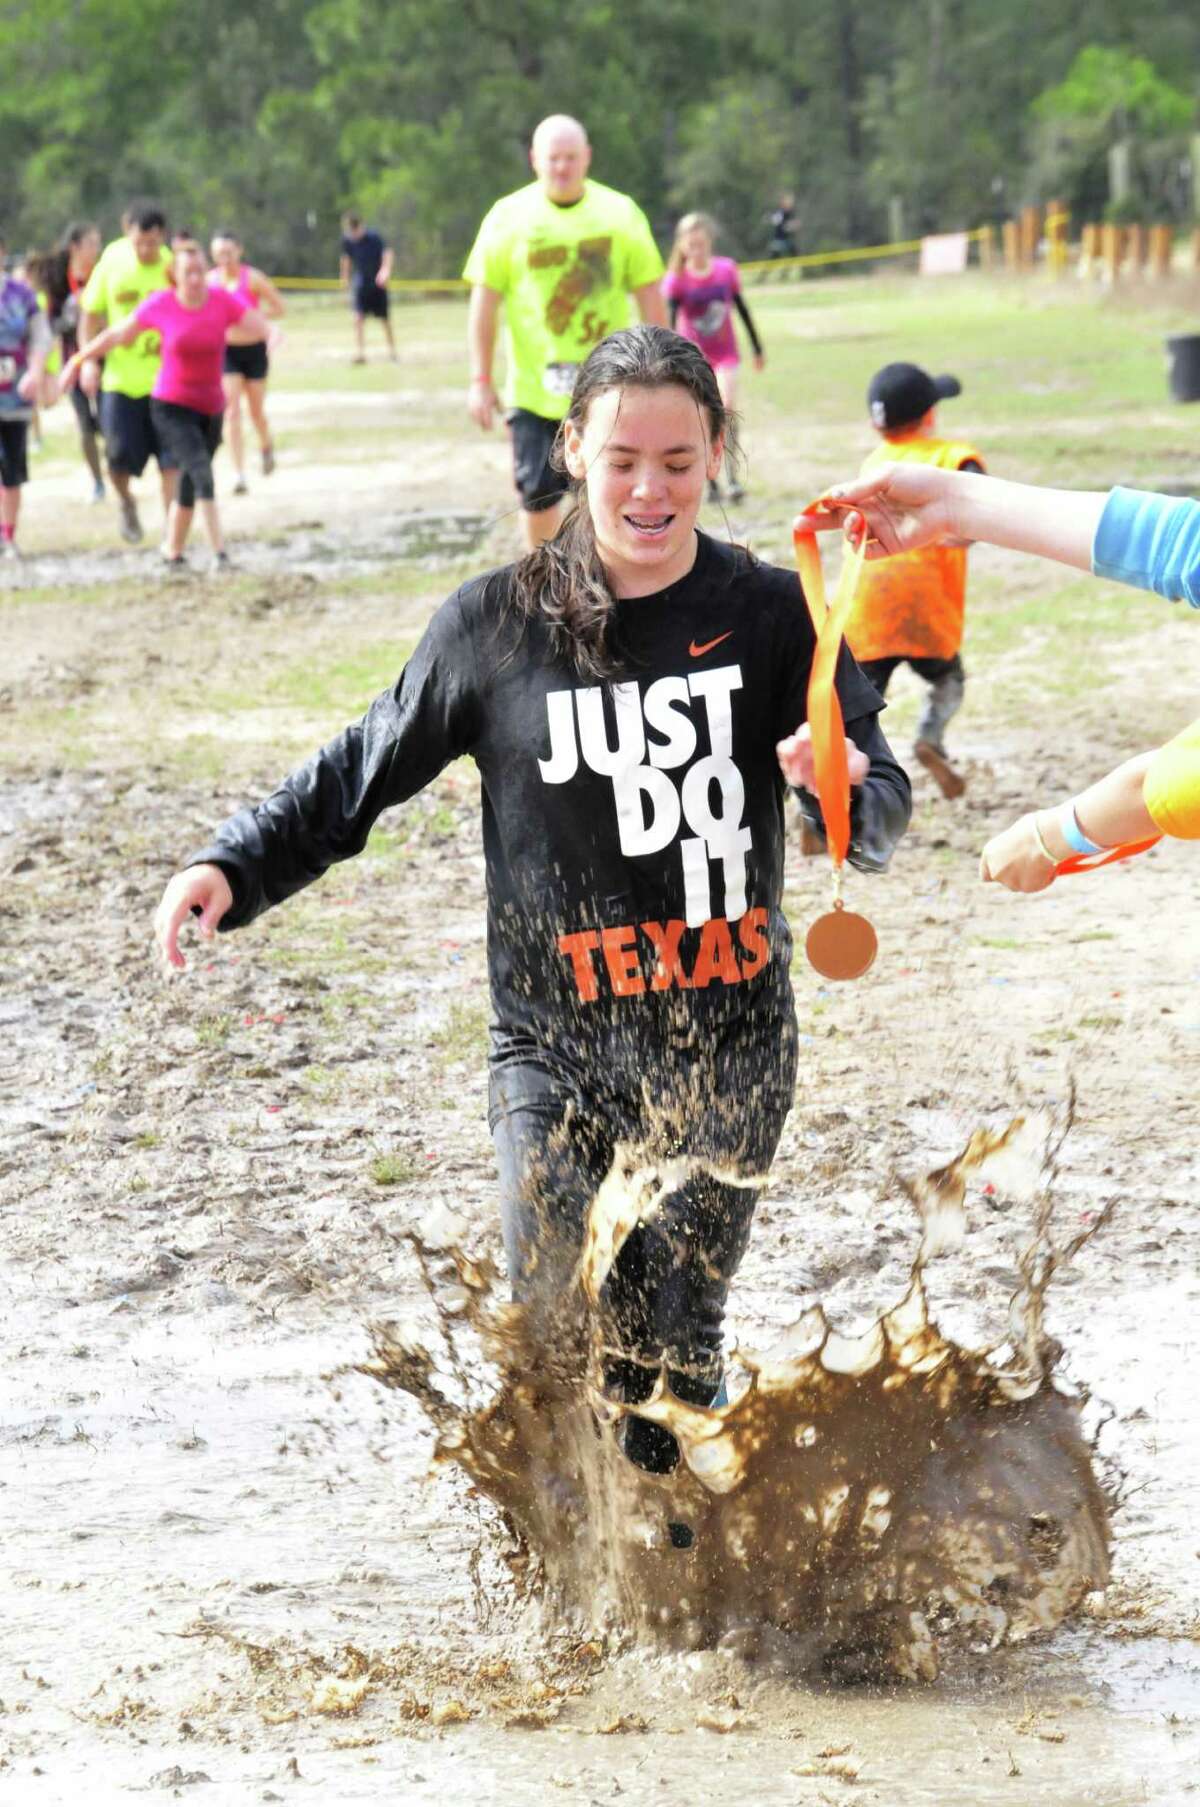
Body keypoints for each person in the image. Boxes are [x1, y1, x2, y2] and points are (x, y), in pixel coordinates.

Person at [153, 326, 910, 1482]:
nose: (649, 489)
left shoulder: (772, 612)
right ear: (572, 452)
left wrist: (846, 788)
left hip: (733, 1044)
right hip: (553, 1047)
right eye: (621, 459)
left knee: (669, 1355)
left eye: (677, 459)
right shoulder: (494, 625)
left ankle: (680, 1559)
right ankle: (573, 1594)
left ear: (716, 453)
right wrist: (233, 866)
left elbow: (884, 801)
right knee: (554, 1345)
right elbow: (361, 767)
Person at [808, 468, 1200, 892]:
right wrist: (952, 503)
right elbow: (1184, 545)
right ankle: (928, 737)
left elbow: (1182, 786)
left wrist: (1056, 834)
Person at [464, 114, 668, 552]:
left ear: (587, 158)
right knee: (536, 495)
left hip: (609, 388)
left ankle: (605, 588)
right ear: (535, 159)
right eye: (553, 158)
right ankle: (541, 585)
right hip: (533, 392)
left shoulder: (620, 214)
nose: (562, 168)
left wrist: (666, 372)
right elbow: (484, 304)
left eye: (571, 158)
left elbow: (650, 296)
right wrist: (480, 379)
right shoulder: (507, 218)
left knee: (606, 495)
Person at [64, 239, 268, 574]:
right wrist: (79, 360)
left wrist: (272, 334)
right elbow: (116, 335)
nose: (195, 278)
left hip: (211, 407)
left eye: (200, 271)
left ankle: (172, 552)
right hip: (171, 405)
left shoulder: (220, 301)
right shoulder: (161, 304)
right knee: (201, 473)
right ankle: (220, 554)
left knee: (189, 481)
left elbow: (258, 323)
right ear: (174, 275)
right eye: (188, 272)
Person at [835, 362, 985, 801]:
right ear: (930, 415)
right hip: (926, 608)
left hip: (869, 608)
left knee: (859, 709)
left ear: (875, 424)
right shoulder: (953, 457)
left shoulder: (873, 464)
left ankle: (836, 782)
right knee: (948, 679)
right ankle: (930, 737)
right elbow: (979, 506)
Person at [78, 204, 175, 544]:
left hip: (167, 382)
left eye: (152, 242)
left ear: (162, 236)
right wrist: (89, 361)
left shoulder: (173, 267)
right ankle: (127, 502)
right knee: (117, 460)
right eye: (139, 243)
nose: (146, 250)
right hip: (119, 382)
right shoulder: (112, 261)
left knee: (170, 462)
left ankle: (170, 531)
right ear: (126, 231)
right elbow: (90, 316)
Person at [663, 213, 764, 507]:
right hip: (693, 359)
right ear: (682, 245)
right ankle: (709, 480)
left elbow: (742, 309)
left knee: (727, 408)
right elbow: (668, 325)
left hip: (725, 354)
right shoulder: (676, 281)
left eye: (701, 242)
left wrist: (757, 348)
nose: (697, 249)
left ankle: (732, 477)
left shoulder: (725, 270)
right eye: (690, 243)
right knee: (700, 417)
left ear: (709, 242)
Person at [30, 223, 105, 502]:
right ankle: (97, 482)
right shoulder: (58, 281)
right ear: (75, 247)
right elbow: (50, 325)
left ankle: (115, 463)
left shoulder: (103, 275)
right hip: (73, 360)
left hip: (106, 359)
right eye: (91, 243)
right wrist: (72, 317)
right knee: (85, 425)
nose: (96, 249)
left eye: (98, 243)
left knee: (109, 423)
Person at [208, 231, 286, 494]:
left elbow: (280, 307)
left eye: (229, 252)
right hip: (227, 351)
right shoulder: (210, 282)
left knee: (256, 412)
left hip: (254, 351)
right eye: (219, 254)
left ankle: (266, 444)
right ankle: (239, 474)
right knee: (231, 412)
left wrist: (253, 316)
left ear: (239, 251)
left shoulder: (252, 278)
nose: (224, 258)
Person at [0, 241, 52, 559]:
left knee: (11, 468)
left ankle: (9, 535)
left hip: (15, 396)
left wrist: (35, 371)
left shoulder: (22, 296)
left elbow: (40, 336)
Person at [339, 214, 395, 363]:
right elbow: (346, 259)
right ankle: (360, 353)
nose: (352, 234)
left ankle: (392, 351)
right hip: (361, 284)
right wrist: (344, 279)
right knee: (358, 319)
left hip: (378, 284)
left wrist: (385, 270)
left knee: (385, 319)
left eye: (354, 230)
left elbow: (387, 253)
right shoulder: (348, 241)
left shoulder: (374, 238)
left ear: (360, 227)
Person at [767, 193, 797, 260]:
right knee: (775, 256)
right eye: (787, 202)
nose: (789, 205)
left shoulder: (791, 213)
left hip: (787, 239)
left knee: (794, 251)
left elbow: (794, 224)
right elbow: (775, 221)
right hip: (779, 239)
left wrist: (793, 225)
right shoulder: (780, 213)